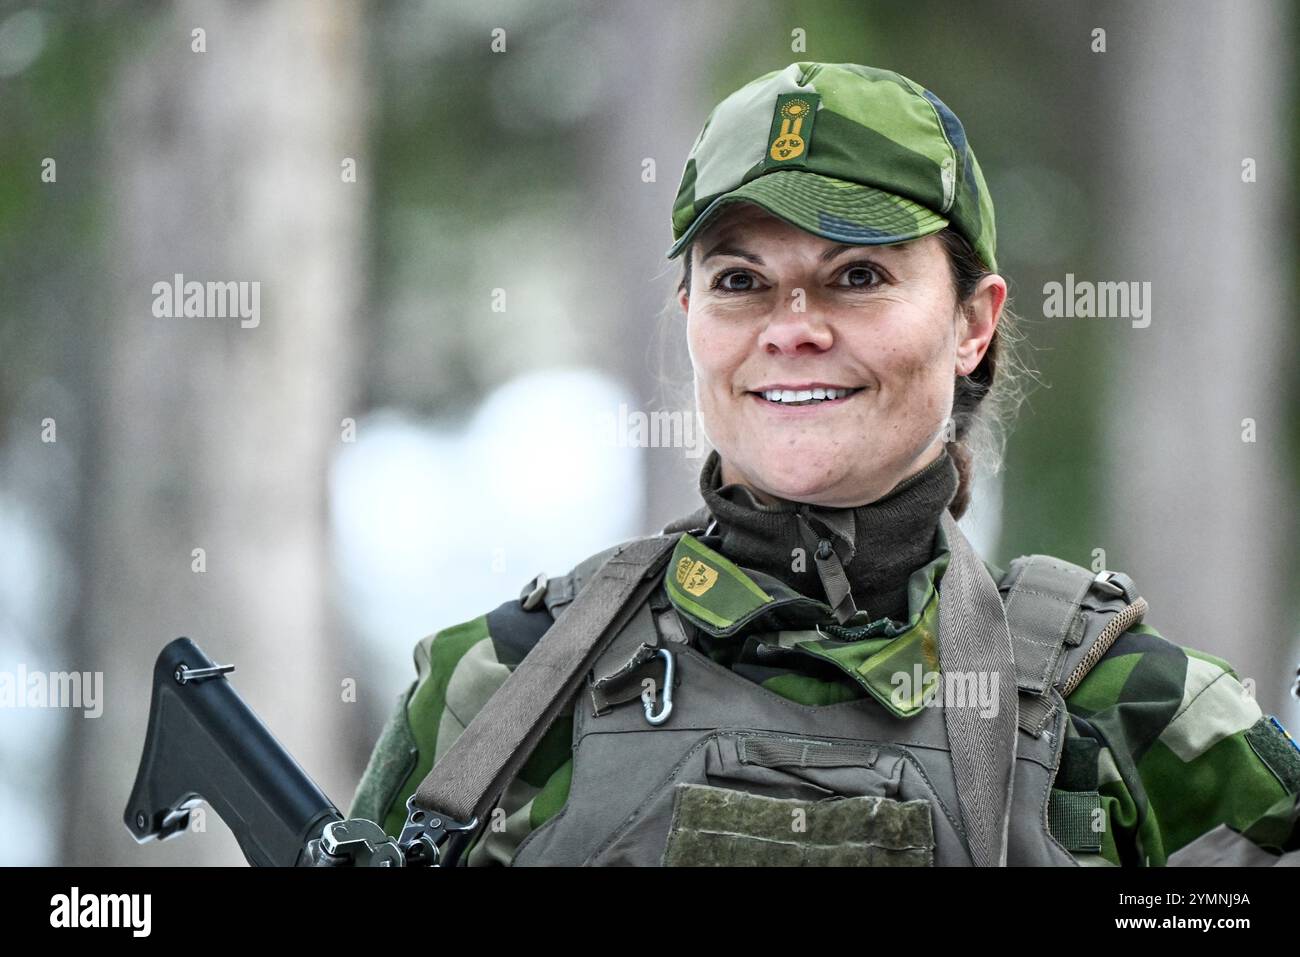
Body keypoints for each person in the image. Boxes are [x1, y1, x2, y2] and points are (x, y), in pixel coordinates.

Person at [347, 62, 1300, 866]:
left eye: (858, 275)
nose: (792, 329)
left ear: (973, 322)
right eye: (740, 281)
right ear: (689, 318)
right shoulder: (499, 689)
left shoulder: (1139, 715)